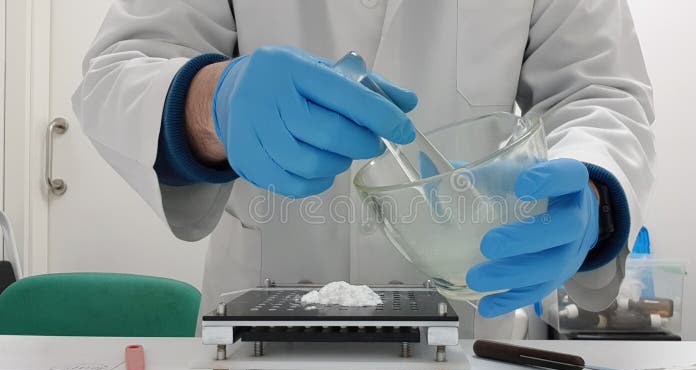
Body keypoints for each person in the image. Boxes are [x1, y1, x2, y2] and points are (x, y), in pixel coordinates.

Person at [73, 0, 655, 338]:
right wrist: (212, 102)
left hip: (471, 334)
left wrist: (595, 196)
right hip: (260, 337)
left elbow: (601, 91)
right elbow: (117, 73)